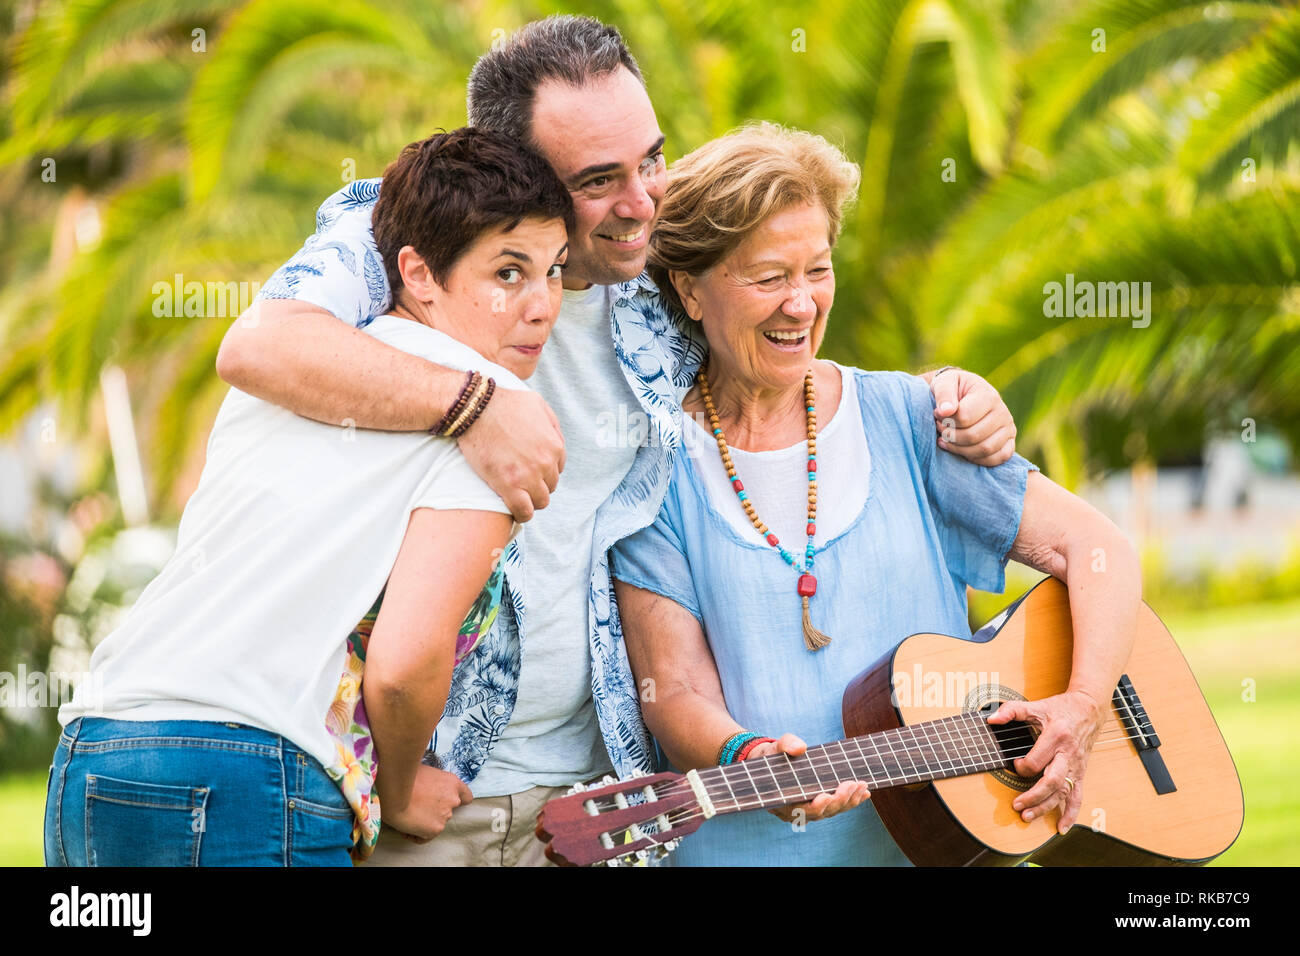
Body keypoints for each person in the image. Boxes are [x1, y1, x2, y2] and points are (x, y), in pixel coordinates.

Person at [214, 15, 1021, 867]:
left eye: (652, 160)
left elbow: (768, 315)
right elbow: (258, 344)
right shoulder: (410, 231)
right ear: (518, 172)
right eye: (600, 178)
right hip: (423, 787)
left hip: (596, 800)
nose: (641, 202)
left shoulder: (652, 275)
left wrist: (940, 396)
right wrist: (477, 406)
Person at [610, 123, 1142, 866]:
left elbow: (1099, 550)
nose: (802, 305)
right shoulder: (655, 470)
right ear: (690, 290)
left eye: (818, 270)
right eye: (769, 277)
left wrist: (1082, 707)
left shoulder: (911, 419)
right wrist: (749, 751)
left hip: (942, 848)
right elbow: (669, 690)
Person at [43, 126, 573, 866]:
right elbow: (405, 662)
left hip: (99, 752)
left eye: (555, 271)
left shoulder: (316, 356)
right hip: (252, 772)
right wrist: (397, 787)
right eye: (509, 273)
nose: (544, 304)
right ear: (419, 275)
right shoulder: (494, 415)